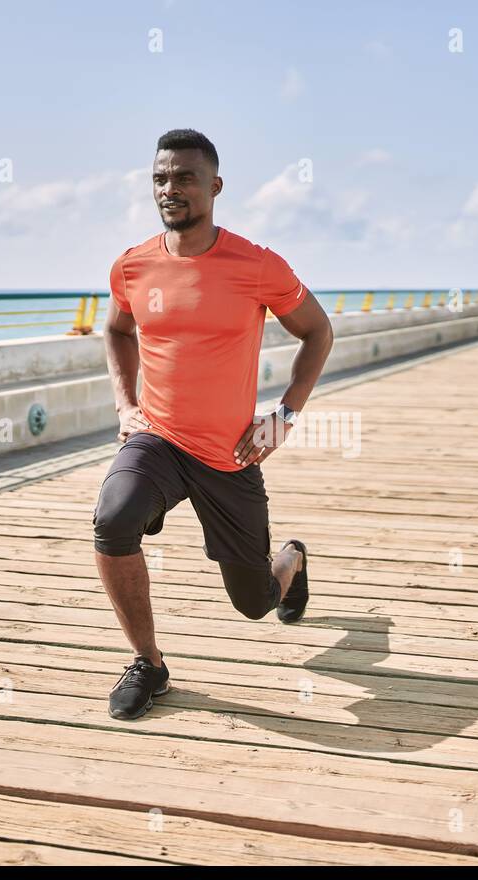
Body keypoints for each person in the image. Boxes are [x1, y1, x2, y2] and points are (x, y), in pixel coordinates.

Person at [94, 129, 335, 720]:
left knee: (253, 602)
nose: (169, 188)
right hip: (158, 438)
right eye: (160, 178)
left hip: (229, 455)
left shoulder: (255, 264)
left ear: (215, 187)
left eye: (184, 177)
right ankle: (148, 664)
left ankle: (292, 560)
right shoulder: (132, 265)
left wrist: (284, 416)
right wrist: (126, 407)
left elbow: (317, 332)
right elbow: (118, 332)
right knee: (112, 520)